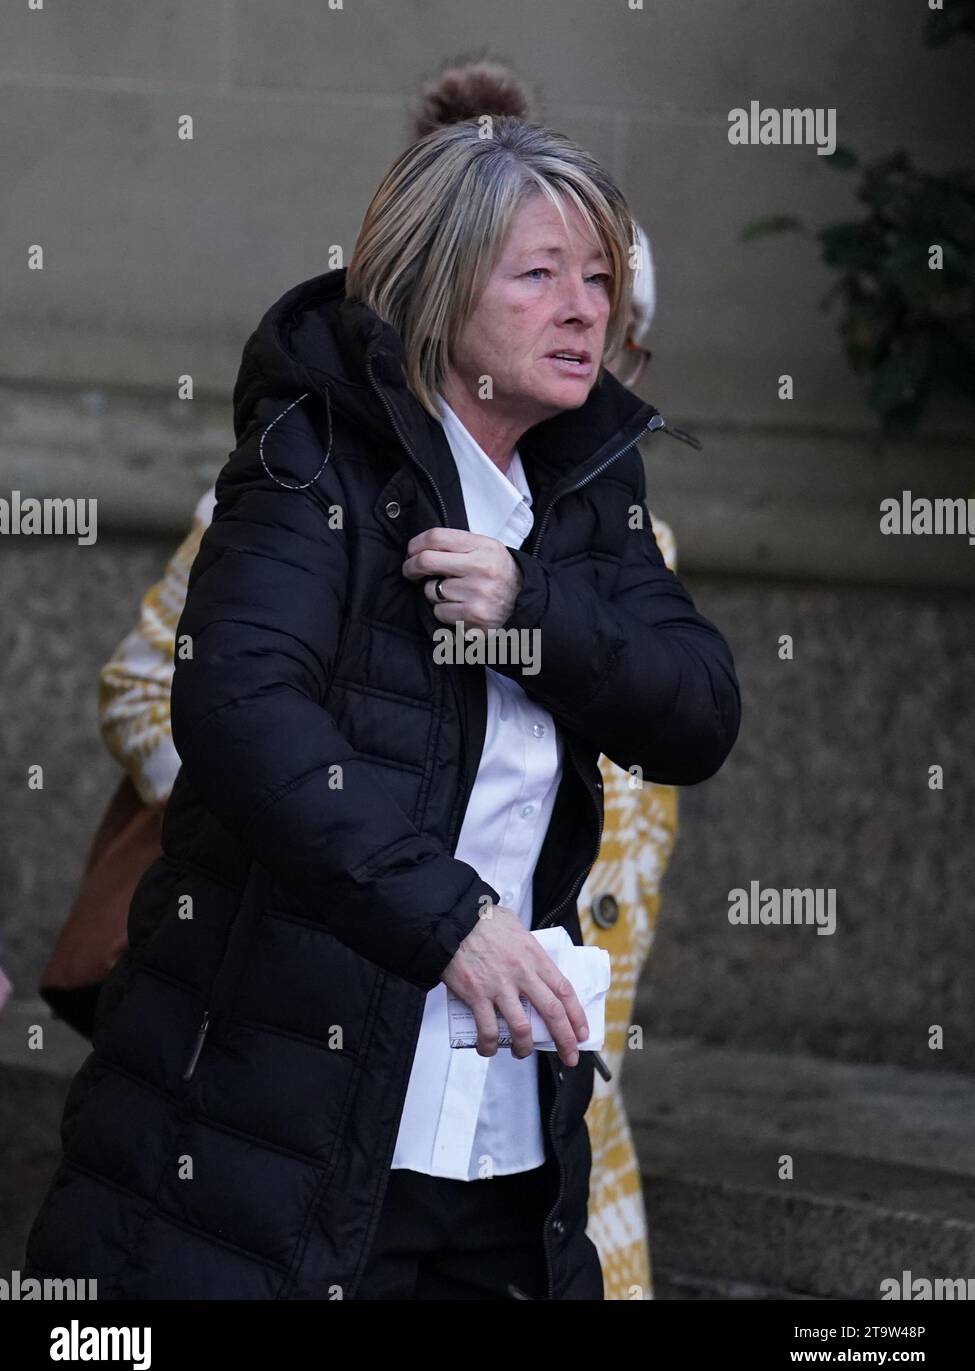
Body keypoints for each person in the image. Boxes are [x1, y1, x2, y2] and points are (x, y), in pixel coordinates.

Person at [23, 114, 740, 1300]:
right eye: (542, 274)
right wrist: (450, 921)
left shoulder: (591, 495)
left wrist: (531, 608)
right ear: (441, 294)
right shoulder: (310, 461)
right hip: (277, 1119)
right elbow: (243, 712)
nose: (587, 309)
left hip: (508, 1139)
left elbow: (700, 714)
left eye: (603, 278)